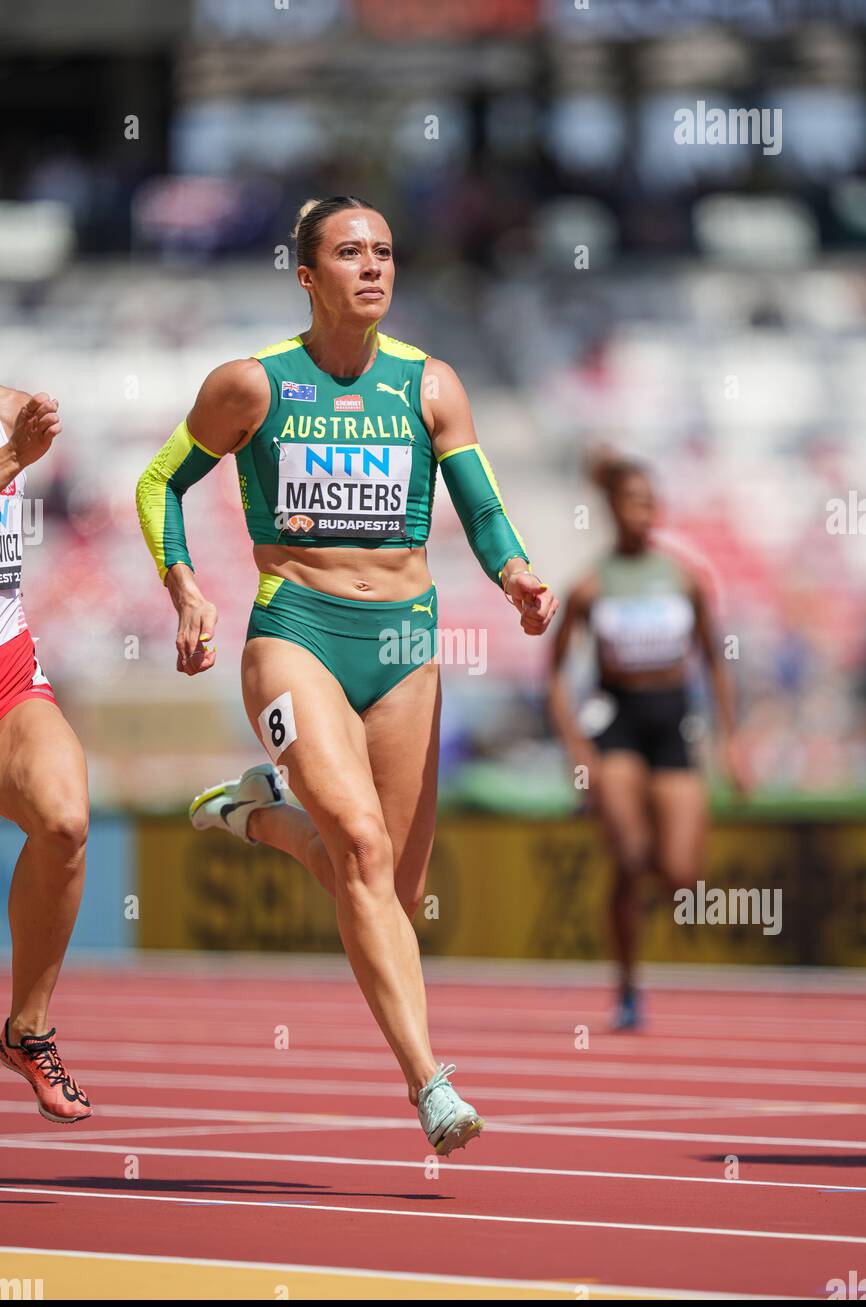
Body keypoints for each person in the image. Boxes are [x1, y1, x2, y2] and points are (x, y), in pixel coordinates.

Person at [136, 195, 558, 1153]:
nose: (373, 267)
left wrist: (517, 571)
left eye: (385, 252)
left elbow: (483, 508)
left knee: (384, 895)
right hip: (296, 632)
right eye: (349, 253)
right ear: (307, 274)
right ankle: (430, 1085)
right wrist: (187, 592)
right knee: (362, 848)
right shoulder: (252, 385)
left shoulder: (430, 383)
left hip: (407, 642)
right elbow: (160, 480)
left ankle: (256, 815)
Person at [548, 450, 747, 1030]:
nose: (642, 512)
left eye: (649, 502)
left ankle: (642, 895)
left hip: (674, 724)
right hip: (617, 725)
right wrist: (576, 751)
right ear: (612, 509)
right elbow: (554, 674)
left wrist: (732, 743)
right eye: (631, 502)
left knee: (683, 875)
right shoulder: (590, 586)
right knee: (630, 857)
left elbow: (715, 661)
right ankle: (628, 985)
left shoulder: (684, 578)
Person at [0, 387, 92, 1121]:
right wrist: (11, 462)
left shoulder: (14, 409)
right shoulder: (15, 439)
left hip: (8, 669)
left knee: (63, 820)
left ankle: (27, 1030)